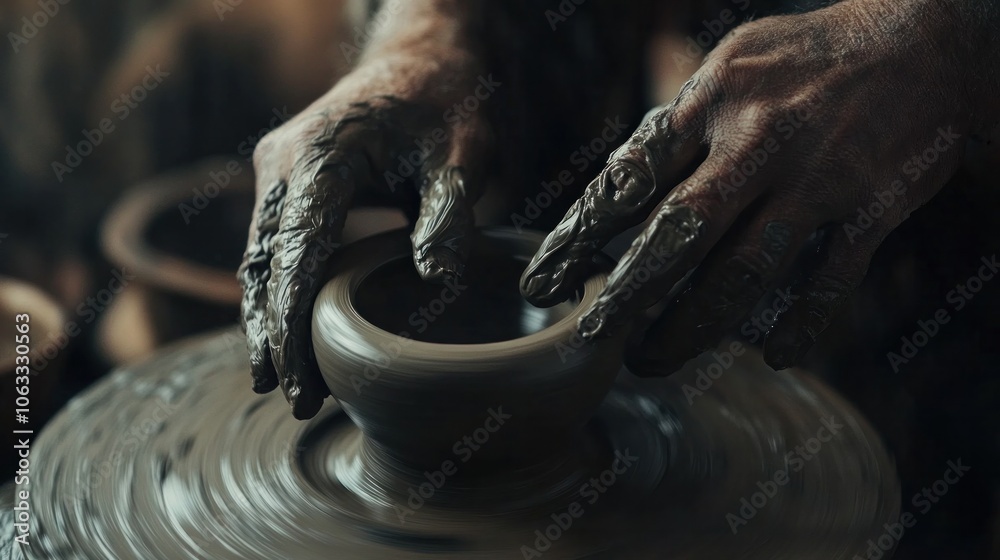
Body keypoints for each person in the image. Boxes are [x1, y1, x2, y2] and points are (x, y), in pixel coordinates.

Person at [239, 0, 1000, 419]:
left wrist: (945, 44)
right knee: (496, 276)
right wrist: (421, 28)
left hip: (911, 134)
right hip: (549, 45)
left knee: (861, 431)